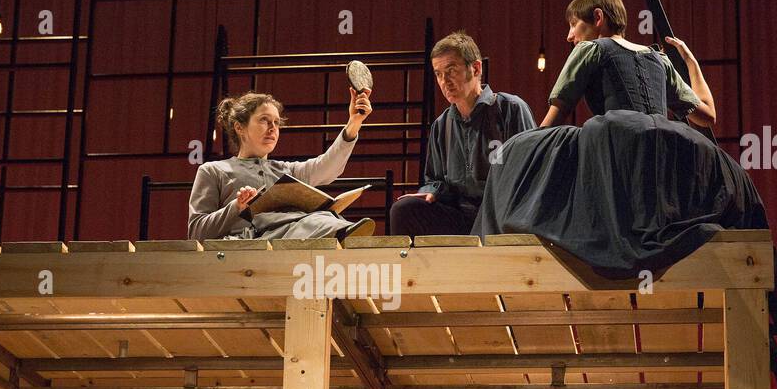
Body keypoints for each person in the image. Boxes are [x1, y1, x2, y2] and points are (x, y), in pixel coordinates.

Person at [474, 0, 770, 278]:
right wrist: (691, 62)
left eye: (574, 24)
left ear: (598, 17)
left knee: (515, 153)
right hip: (665, 145)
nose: (569, 36)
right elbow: (707, 116)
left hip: (618, 146)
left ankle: (492, 256)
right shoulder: (660, 59)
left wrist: (527, 154)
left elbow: (555, 117)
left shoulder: (589, 49)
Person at [390, 30, 535, 237]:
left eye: (451, 70)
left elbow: (533, 170)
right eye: (438, 74)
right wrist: (430, 192)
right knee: (403, 210)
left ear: (475, 68)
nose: (444, 81)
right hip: (462, 215)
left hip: (502, 212)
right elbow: (435, 179)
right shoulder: (441, 125)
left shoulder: (510, 109)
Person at [187, 89, 375, 241]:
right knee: (315, 222)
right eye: (264, 120)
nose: (272, 128)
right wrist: (236, 206)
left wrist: (354, 123)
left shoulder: (286, 170)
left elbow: (326, 167)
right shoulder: (213, 170)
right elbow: (197, 232)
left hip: (291, 239)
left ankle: (341, 235)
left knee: (324, 218)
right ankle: (342, 235)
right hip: (250, 244)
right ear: (239, 127)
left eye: (276, 123)